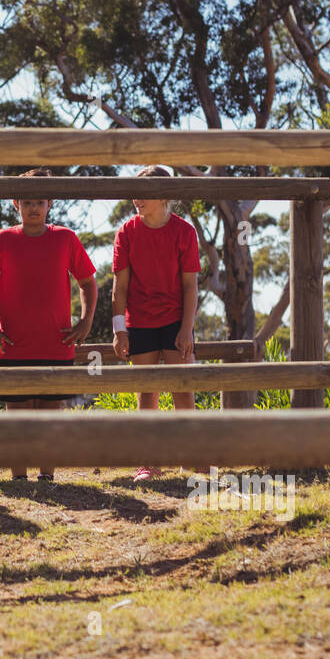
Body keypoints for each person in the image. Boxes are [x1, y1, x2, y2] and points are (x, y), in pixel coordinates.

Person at [0, 169, 98, 483]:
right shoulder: (0, 239)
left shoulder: (66, 238)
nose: (33, 207)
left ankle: (46, 477)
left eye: (39, 201)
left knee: (48, 415)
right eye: (27, 201)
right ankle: (19, 478)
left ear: (50, 203)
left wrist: (85, 321)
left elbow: (87, 282)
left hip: (56, 345)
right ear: (16, 203)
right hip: (11, 345)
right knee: (17, 417)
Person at [111, 165, 201, 482]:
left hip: (176, 321)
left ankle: (191, 459)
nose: (137, 200)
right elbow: (119, 288)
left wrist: (186, 328)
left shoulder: (184, 232)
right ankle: (148, 463)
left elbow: (191, 286)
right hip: (140, 323)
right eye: (135, 194)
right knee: (146, 394)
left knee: (182, 391)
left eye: (144, 194)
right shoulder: (126, 232)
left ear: (163, 196)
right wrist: (119, 330)